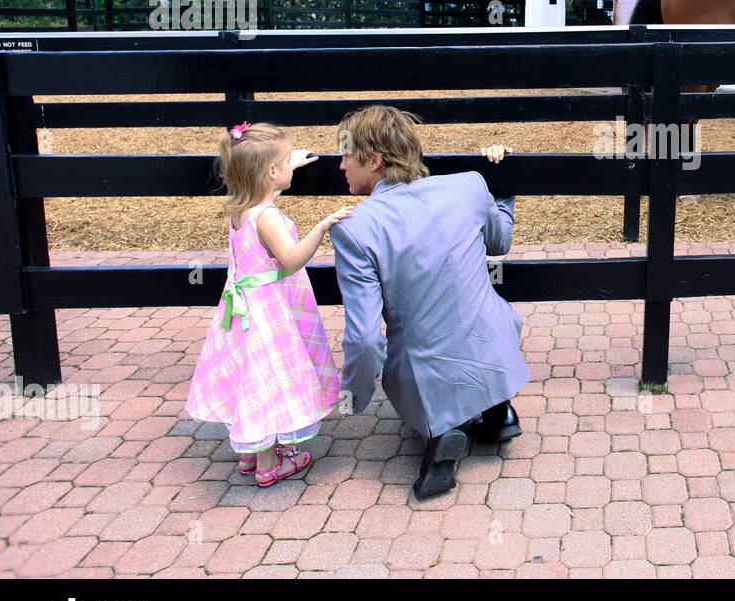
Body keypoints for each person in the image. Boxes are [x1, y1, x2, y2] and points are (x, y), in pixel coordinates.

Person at [329, 104, 530, 499]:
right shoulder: (468, 186)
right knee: (470, 320)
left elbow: (367, 340)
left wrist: (353, 397)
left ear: (373, 159)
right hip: (495, 343)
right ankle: (496, 409)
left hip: (424, 369)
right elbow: (500, 241)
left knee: (422, 360)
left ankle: (442, 436)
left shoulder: (355, 229)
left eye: (345, 154)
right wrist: (503, 186)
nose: (340, 166)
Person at [186, 121, 354, 487]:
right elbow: (291, 259)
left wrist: (286, 160)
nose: (289, 167)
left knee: (248, 377)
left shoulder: (238, 209)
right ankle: (268, 465)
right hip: (269, 313)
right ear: (272, 172)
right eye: (283, 163)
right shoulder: (268, 217)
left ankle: (248, 455)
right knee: (269, 380)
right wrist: (322, 226)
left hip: (241, 308)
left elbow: (261, 179)